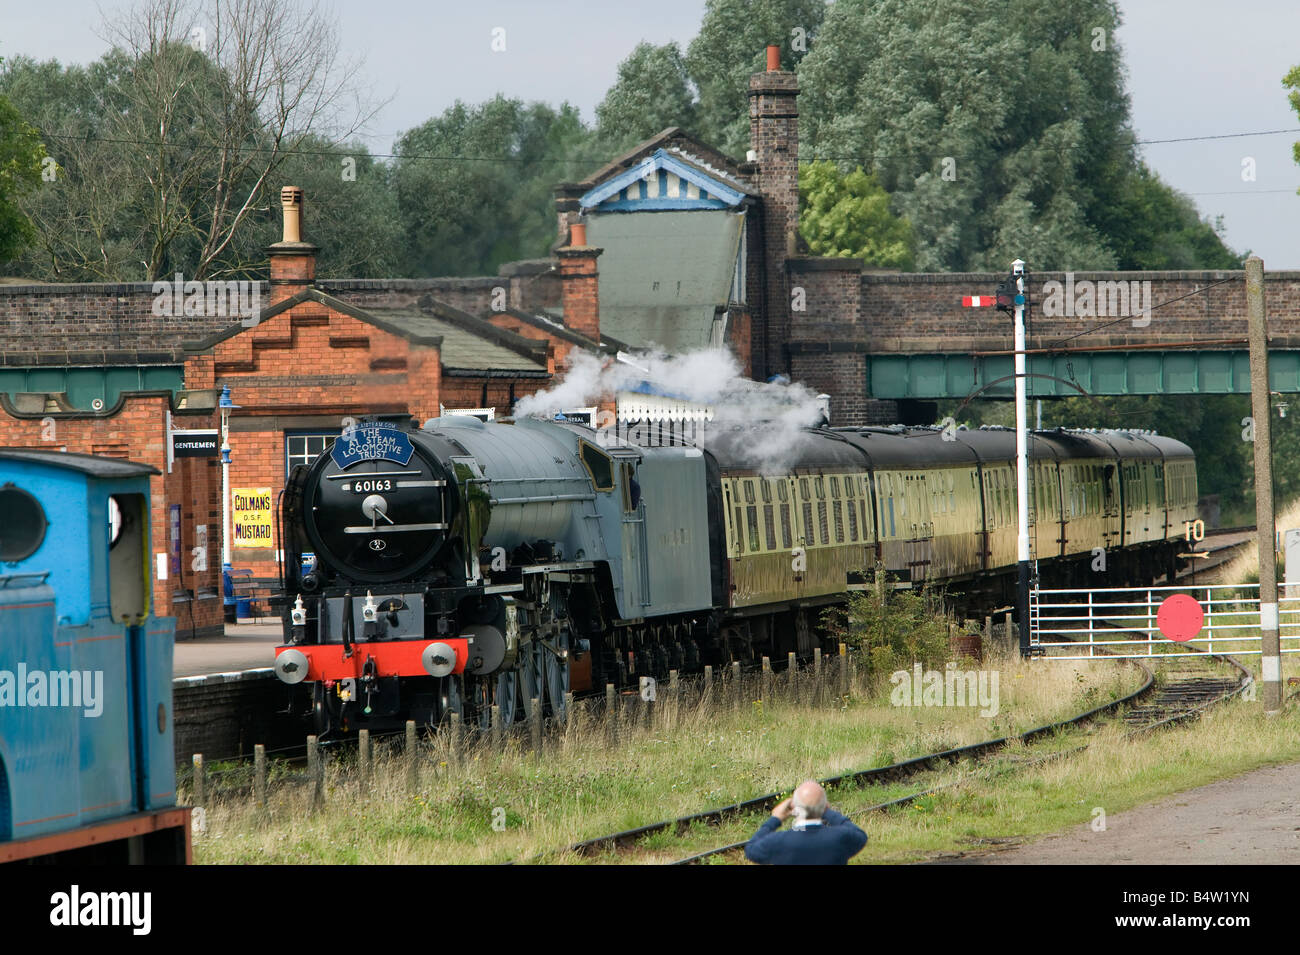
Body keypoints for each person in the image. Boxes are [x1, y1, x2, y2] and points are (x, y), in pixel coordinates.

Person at [743, 780, 868, 865]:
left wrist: (775, 819)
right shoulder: (840, 838)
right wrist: (826, 811)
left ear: (795, 809)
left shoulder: (779, 841)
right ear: (826, 806)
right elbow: (859, 834)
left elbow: (751, 849)